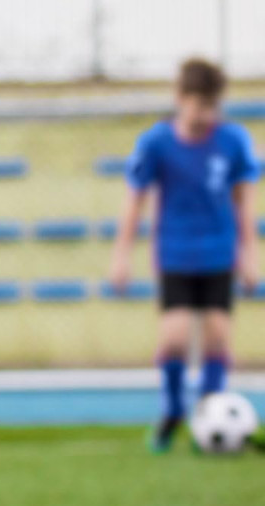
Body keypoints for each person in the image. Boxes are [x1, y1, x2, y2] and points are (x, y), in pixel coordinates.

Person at [109, 57, 260, 451]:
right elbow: (135, 200)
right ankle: (173, 411)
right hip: (175, 253)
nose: (205, 115)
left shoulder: (232, 141)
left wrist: (250, 253)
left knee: (218, 338)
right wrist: (121, 255)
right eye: (198, 105)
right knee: (174, 338)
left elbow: (244, 200)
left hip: (218, 253)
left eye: (212, 106)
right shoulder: (156, 142)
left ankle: (207, 418)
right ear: (180, 98)